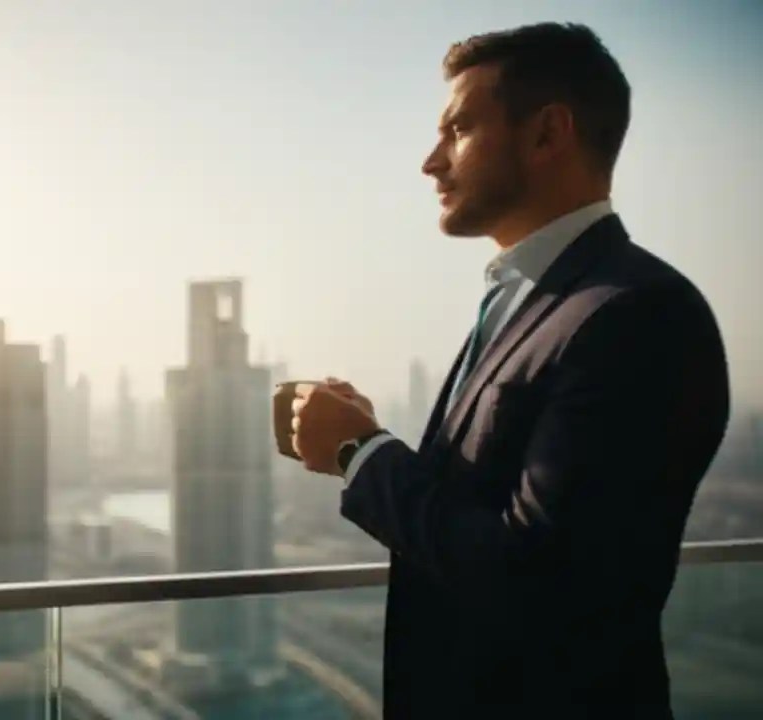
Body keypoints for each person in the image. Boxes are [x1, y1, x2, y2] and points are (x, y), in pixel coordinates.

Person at [281, 22, 730, 718]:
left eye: (458, 129)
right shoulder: (535, 300)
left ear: (548, 134)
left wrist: (358, 452)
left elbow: (537, 574)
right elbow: (484, 507)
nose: (431, 162)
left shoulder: (634, 315)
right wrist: (364, 434)